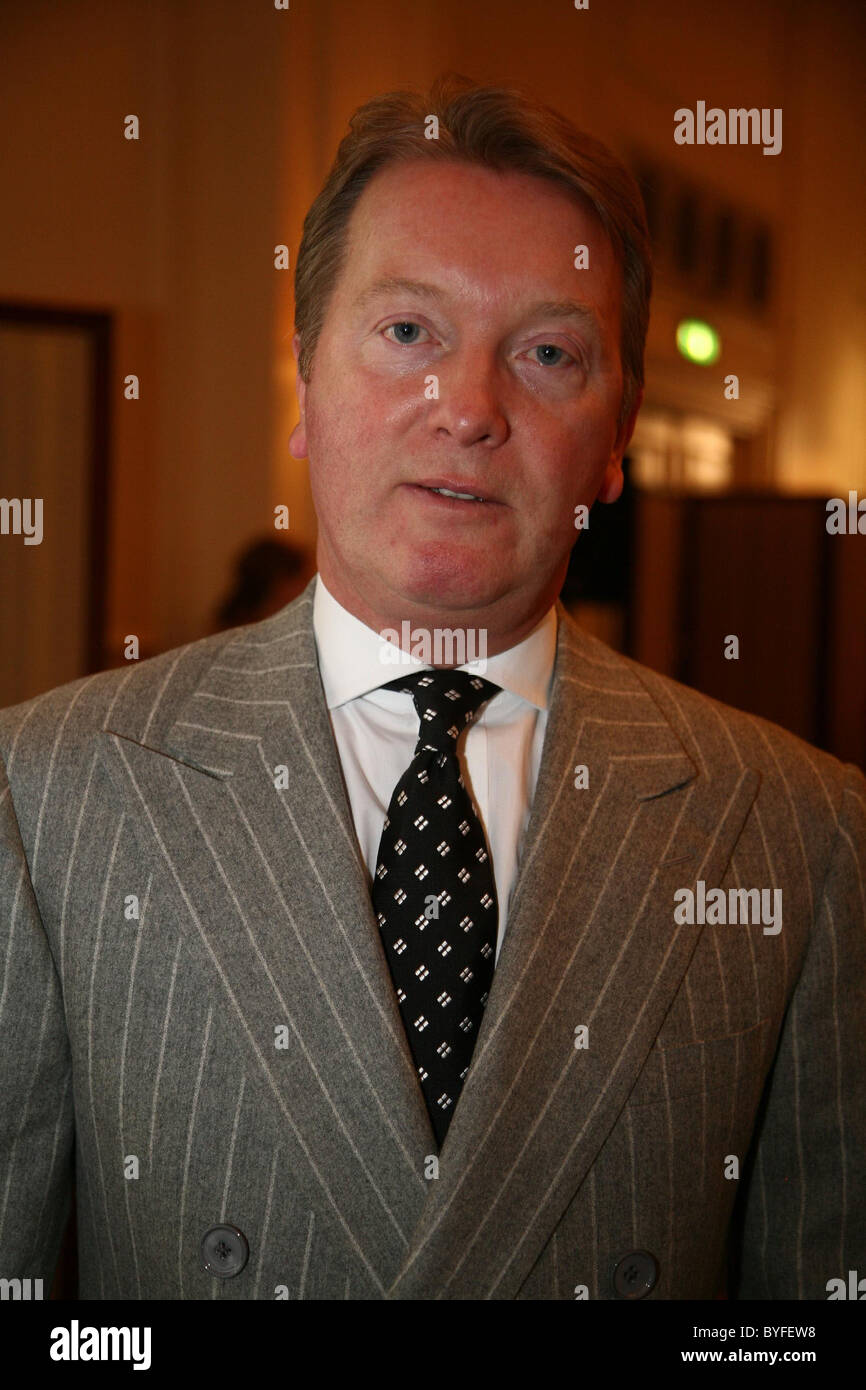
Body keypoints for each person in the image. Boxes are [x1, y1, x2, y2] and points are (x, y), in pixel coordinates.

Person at [1, 74, 863, 1302]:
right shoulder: (49, 797)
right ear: (306, 381)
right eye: (407, 332)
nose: (466, 409)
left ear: (614, 436)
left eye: (548, 353)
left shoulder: (801, 832)